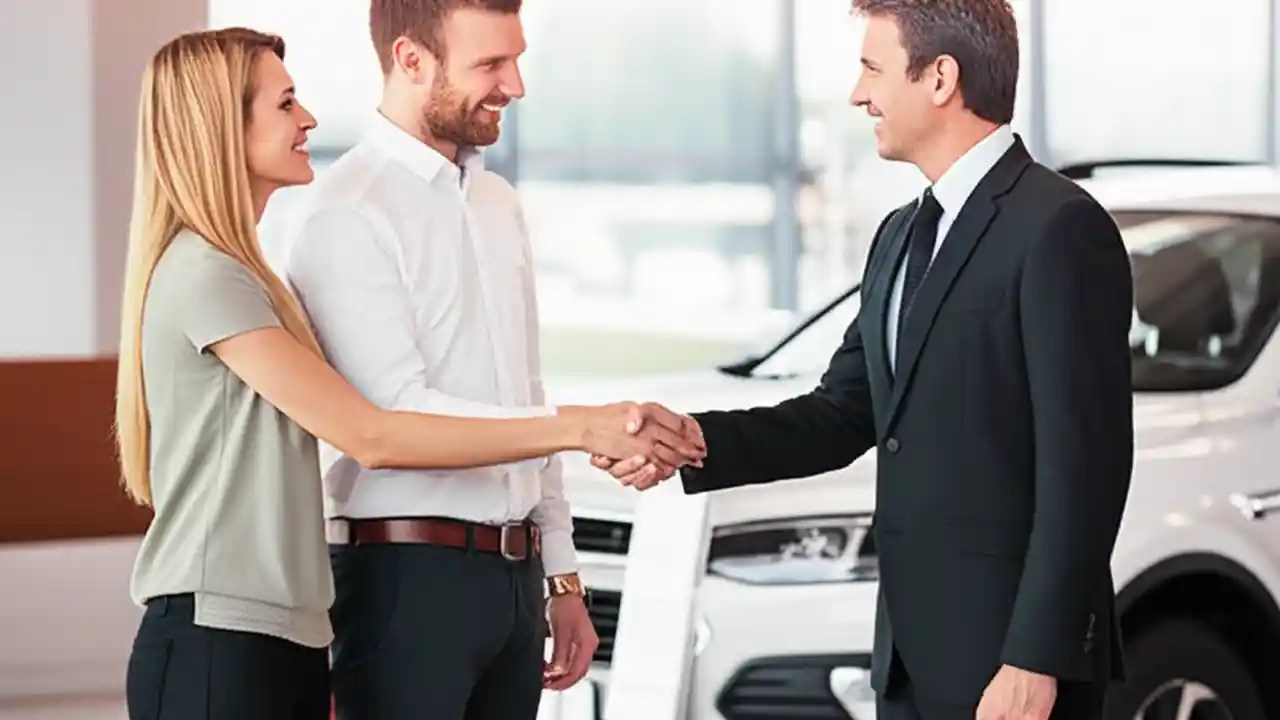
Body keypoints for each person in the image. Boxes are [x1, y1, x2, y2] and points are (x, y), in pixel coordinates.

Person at [115, 27, 702, 720]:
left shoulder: (248, 277)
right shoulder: (208, 275)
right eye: (286, 103)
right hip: (220, 637)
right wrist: (582, 427)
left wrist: (560, 571)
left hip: (280, 634)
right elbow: (375, 434)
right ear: (219, 126)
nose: (309, 119)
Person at [597, 1, 1135, 718]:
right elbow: (845, 412)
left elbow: (1087, 469)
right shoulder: (900, 235)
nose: (859, 95)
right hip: (907, 659)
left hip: (1011, 662)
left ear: (940, 78)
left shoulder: (1060, 227)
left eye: (872, 69)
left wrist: (1036, 657)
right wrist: (696, 440)